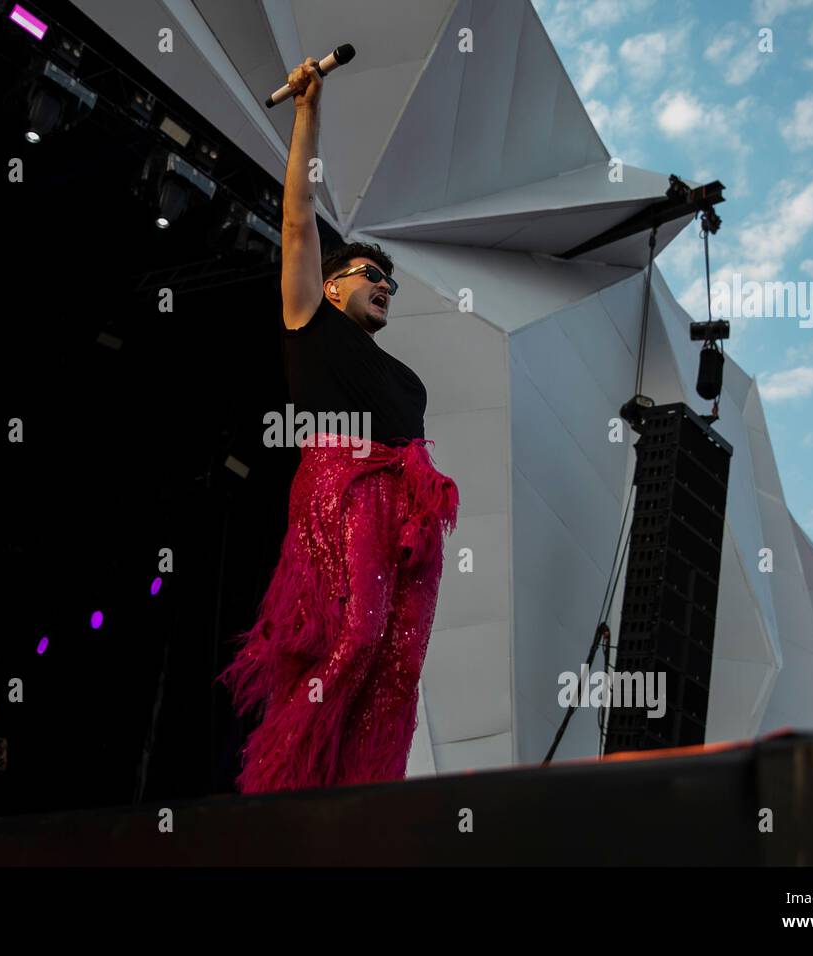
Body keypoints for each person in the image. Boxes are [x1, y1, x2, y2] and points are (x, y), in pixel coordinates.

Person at [218, 58, 458, 793]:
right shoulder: (310, 324)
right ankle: (285, 790)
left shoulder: (402, 376)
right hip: (342, 483)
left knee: (398, 665)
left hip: (407, 505)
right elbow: (296, 219)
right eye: (370, 275)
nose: (384, 285)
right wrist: (307, 114)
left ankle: (362, 802)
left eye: (390, 282)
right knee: (352, 637)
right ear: (332, 283)